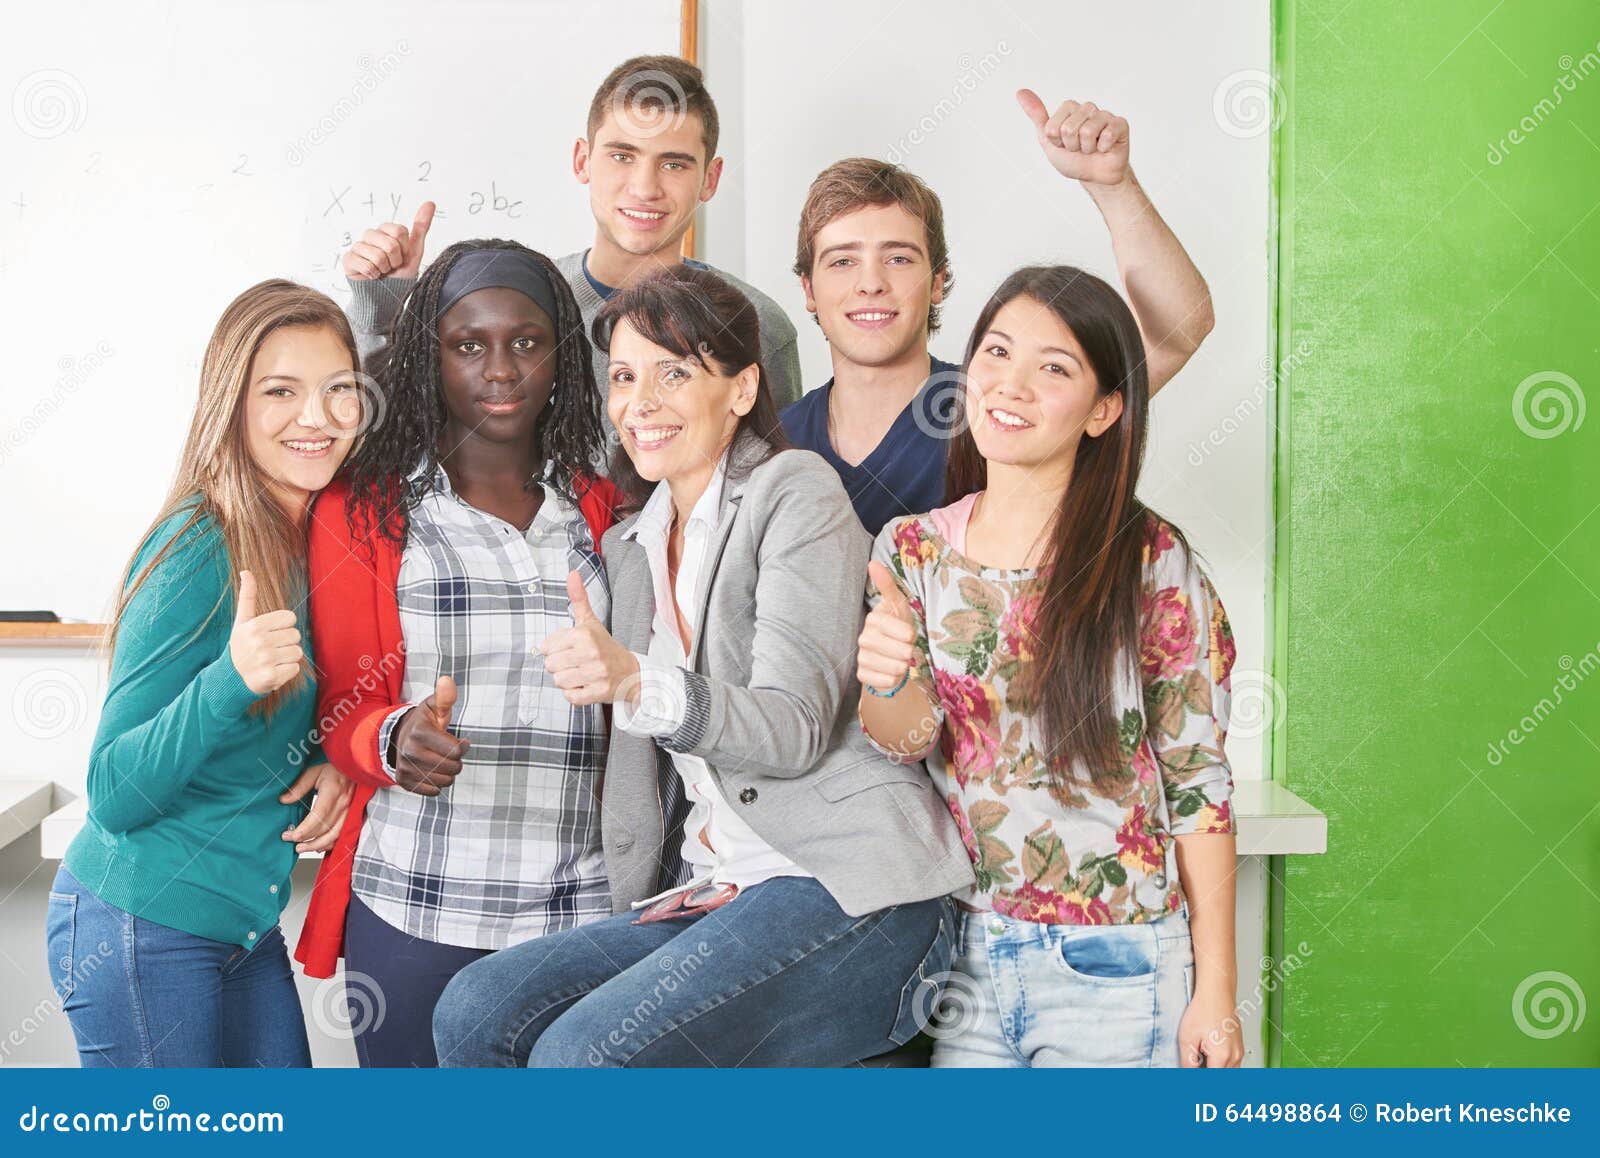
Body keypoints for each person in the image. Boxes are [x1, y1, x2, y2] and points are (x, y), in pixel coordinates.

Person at [430, 265, 973, 1067]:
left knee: (583, 1058)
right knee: (474, 1012)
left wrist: (633, 681)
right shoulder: (629, 548)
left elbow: (791, 728)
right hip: (721, 891)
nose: (640, 402)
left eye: (673, 372)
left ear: (744, 388)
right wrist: (632, 925)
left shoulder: (795, 494)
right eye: (623, 376)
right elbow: (634, 785)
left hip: (853, 888)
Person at [856, 265, 1243, 1067]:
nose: (1013, 384)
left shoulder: (1148, 559)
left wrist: (1217, 991)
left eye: (1055, 368)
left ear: (1105, 410)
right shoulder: (912, 548)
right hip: (962, 954)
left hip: (1119, 960)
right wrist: (887, 676)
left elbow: (1198, 781)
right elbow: (909, 742)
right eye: (997, 352)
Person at [293, 240, 625, 1068]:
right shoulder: (363, 509)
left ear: (562, 355)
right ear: (427, 359)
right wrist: (392, 737)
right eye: (467, 345)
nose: (501, 368)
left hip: (584, 911)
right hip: (418, 905)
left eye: (527, 341)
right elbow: (336, 707)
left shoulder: (605, 504)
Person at [47, 281, 361, 1067]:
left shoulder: (319, 535)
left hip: (241, 929)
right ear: (232, 404)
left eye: (338, 390)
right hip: (140, 924)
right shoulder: (201, 543)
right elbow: (114, 790)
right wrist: (232, 677)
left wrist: (333, 761)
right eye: (280, 392)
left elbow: (295, 713)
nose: (315, 418)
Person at [783, 92, 1214, 533]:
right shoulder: (772, 444)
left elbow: (1178, 331)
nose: (870, 283)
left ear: (936, 282)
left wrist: (1113, 187)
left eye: (898, 259)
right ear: (808, 288)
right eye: (841, 261)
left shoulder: (1001, 404)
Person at [340, 54, 801, 449]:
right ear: (583, 160)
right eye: (623, 156)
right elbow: (377, 446)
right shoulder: (512, 309)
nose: (644, 188)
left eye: (673, 164)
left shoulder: (756, 326)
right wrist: (378, 315)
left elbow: (774, 490)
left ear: (710, 179)